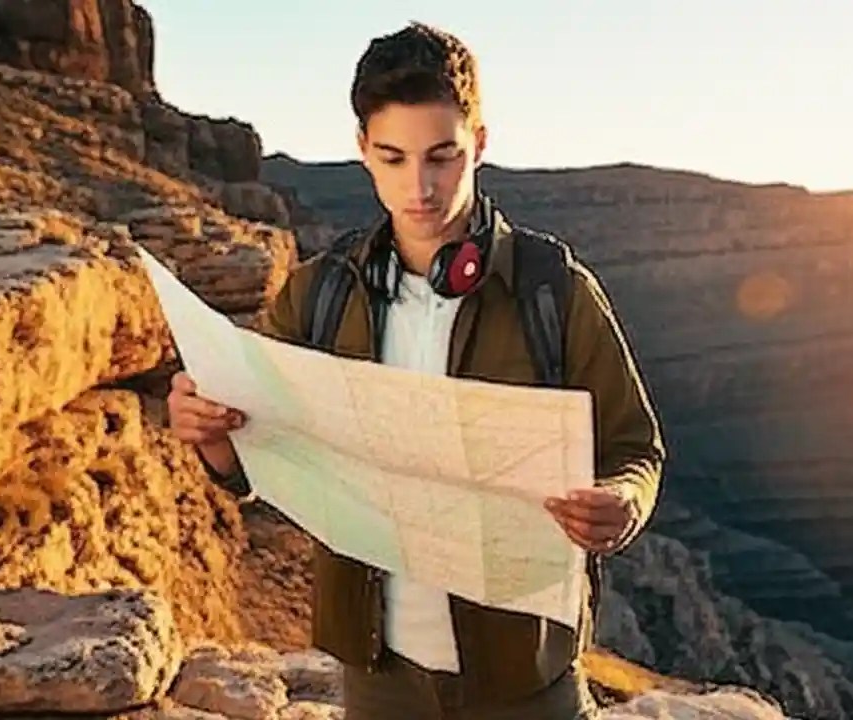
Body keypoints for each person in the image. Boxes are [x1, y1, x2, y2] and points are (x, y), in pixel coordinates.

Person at [165, 21, 665, 720]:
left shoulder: (554, 289)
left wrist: (623, 506)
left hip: (528, 683)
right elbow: (252, 457)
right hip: (380, 685)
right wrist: (210, 432)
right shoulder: (320, 292)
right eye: (394, 158)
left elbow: (636, 449)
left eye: (443, 157)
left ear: (480, 143)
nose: (420, 187)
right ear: (362, 150)